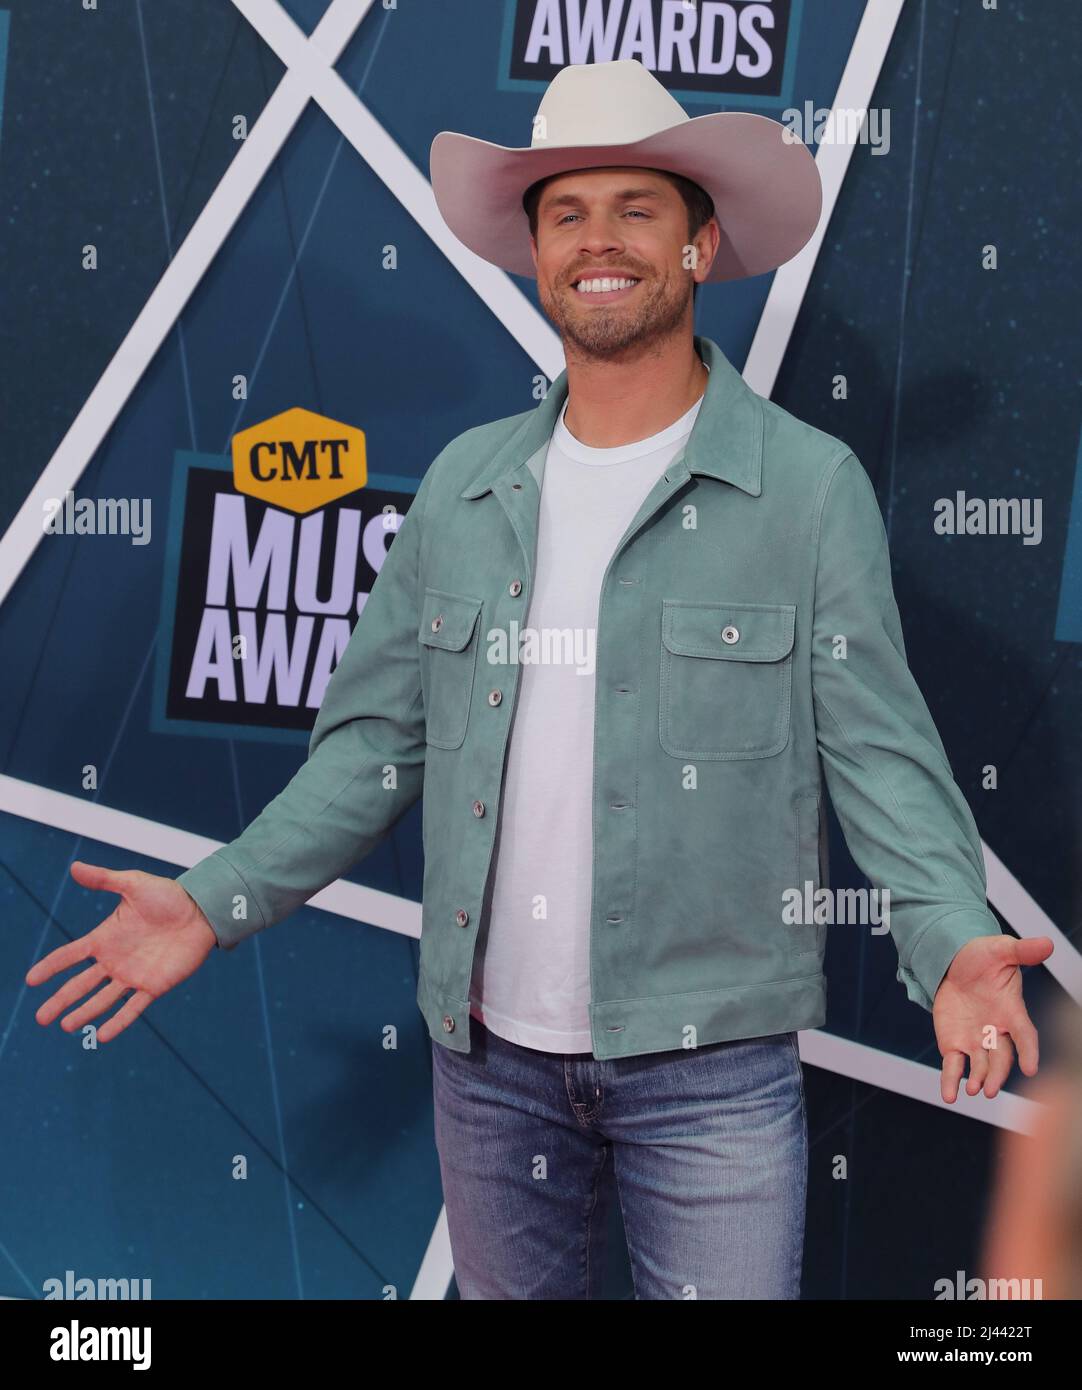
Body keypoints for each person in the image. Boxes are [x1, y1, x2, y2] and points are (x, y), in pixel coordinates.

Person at [26, 60, 1052, 1299]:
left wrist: (948, 940)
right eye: (566, 213)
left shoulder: (806, 488)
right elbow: (369, 754)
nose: (597, 240)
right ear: (534, 252)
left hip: (712, 1071)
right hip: (486, 1069)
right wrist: (210, 901)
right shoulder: (462, 489)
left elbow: (880, 757)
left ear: (698, 244)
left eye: (635, 208)